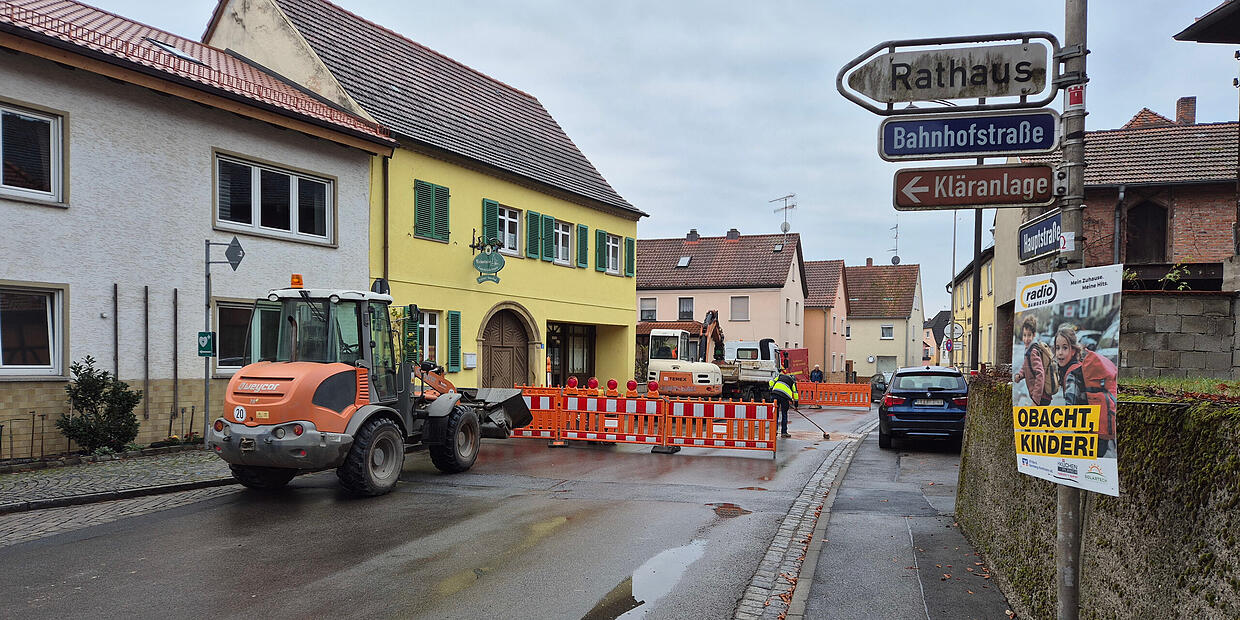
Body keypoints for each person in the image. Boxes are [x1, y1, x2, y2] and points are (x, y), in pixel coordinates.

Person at [1055, 326, 1119, 458]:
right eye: (1057, 348)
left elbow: (1070, 411)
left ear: (1073, 350)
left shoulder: (1072, 374)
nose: (1060, 352)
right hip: (1099, 434)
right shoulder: (1081, 367)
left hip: (1087, 436)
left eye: (1065, 348)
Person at [1013, 316, 1055, 406]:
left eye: (1029, 335)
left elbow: (1040, 375)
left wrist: (1036, 401)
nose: (1026, 339)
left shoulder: (1033, 351)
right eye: (1024, 335)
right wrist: (1019, 375)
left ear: (1034, 335)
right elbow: (1025, 366)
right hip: (1041, 396)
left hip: (1041, 397)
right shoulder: (1029, 349)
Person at [769, 366, 800, 439]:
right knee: (784, 414)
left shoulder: (780, 376)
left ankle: (774, 431)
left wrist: (771, 389)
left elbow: (771, 382)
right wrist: (796, 405)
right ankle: (784, 432)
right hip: (784, 397)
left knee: (775, 414)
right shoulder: (793, 382)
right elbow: (795, 393)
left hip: (775, 395)